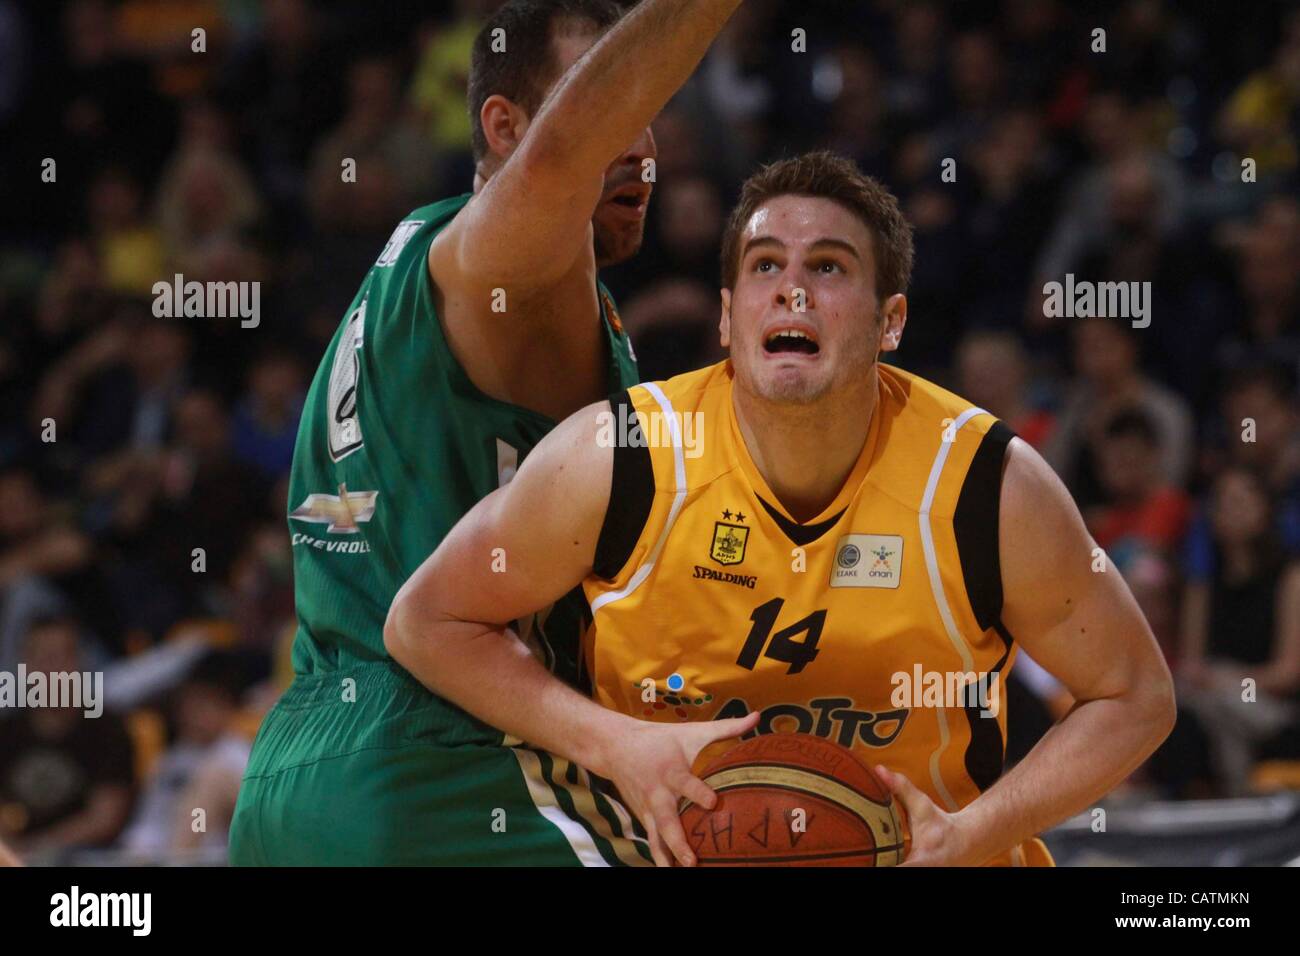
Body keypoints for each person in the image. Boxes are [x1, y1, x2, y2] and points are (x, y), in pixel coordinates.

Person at [385, 151, 1177, 867]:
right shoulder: (618, 459)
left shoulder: (984, 485)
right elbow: (427, 621)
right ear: (728, 318)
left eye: (829, 268)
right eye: (767, 266)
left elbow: (1135, 695)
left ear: (890, 321)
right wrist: (616, 742)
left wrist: (971, 833)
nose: (792, 288)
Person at [229, 0, 746, 866]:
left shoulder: (420, 266)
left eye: (651, 115)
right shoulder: (510, 267)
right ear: (503, 126)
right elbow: (551, 169)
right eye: (611, 107)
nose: (643, 146)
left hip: (296, 781)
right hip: (451, 766)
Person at [1177, 466, 1300, 795]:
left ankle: (1240, 796)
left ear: (1264, 510)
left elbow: (1288, 673)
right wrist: (1208, 679)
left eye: (1242, 500)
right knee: (1175, 700)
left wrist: (1229, 679)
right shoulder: (1203, 583)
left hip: (1268, 705)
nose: (1232, 510)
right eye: (1224, 502)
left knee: (1227, 702)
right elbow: (1191, 663)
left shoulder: (1289, 577)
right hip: (1210, 697)